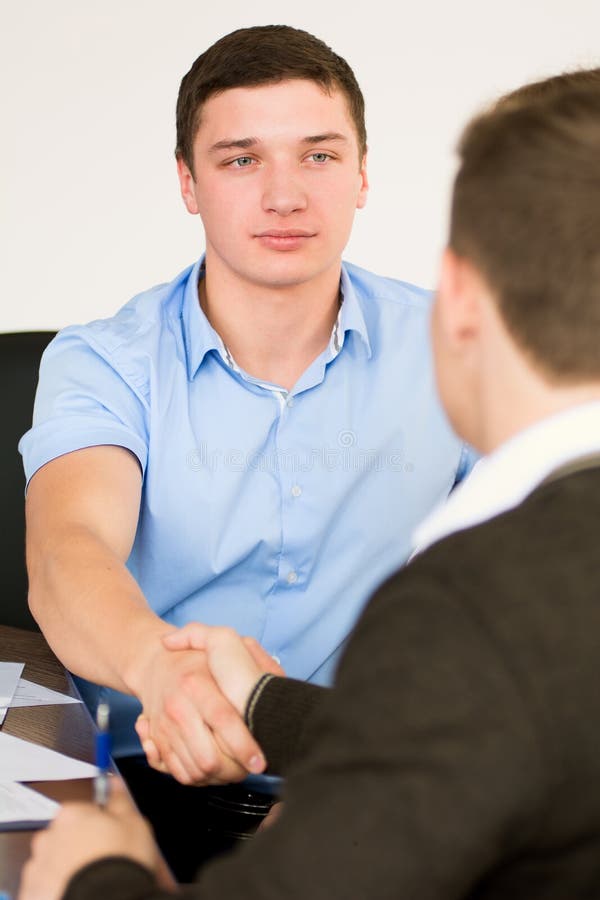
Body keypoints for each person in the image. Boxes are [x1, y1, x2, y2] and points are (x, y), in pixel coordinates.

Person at [18, 68, 600, 900]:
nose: (285, 196)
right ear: (187, 182)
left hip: (391, 786)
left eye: (318, 155)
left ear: (363, 173)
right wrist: (163, 672)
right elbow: (67, 551)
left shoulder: (459, 344)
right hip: (152, 779)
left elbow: (527, 576)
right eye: (242, 159)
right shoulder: (107, 359)